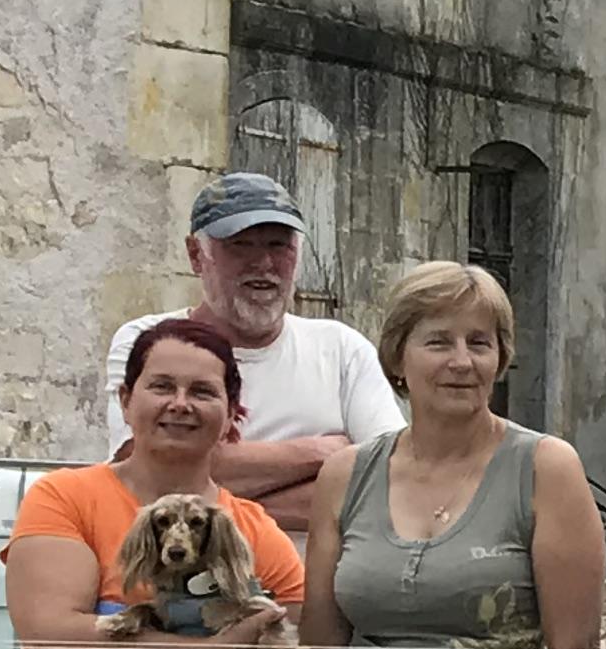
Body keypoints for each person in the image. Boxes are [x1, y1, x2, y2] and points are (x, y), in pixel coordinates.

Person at [270, 263, 605, 649]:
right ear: (398, 358)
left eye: (480, 342)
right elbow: (320, 648)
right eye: (438, 342)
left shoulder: (546, 468)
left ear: (500, 358)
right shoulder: (346, 475)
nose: (462, 362)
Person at [0, 315, 308, 649]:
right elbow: (54, 637)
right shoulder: (65, 497)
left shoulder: (256, 532)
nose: (180, 404)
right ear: (125, 402)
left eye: (202, 392)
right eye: (162, 386)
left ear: (232, 416)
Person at [90, 170, 399, 503]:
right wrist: (325, 452)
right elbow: (144, 469)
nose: (263, 263)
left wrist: (211, 498)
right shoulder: (149, 341)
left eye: (278, 245)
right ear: (196, 255)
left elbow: (390, 480)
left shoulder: (341, 350)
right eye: (241, 245)